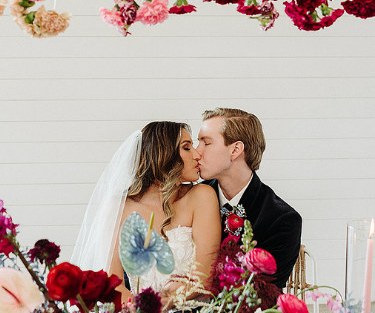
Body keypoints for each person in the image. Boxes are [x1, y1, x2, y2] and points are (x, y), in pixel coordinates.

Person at [71, 121, 221, 302]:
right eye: (187, 148)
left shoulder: (202, 196)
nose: (197, 155)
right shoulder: (118, 208)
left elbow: (203, 278)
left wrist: (160, 305)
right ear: (162, 155)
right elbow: (113, 282)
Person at [197, 108, 301, 290]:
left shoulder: (282, 220)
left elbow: (263, 293)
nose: (197, 153)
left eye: (206, 143)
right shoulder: (191, 198)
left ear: (235, 150)